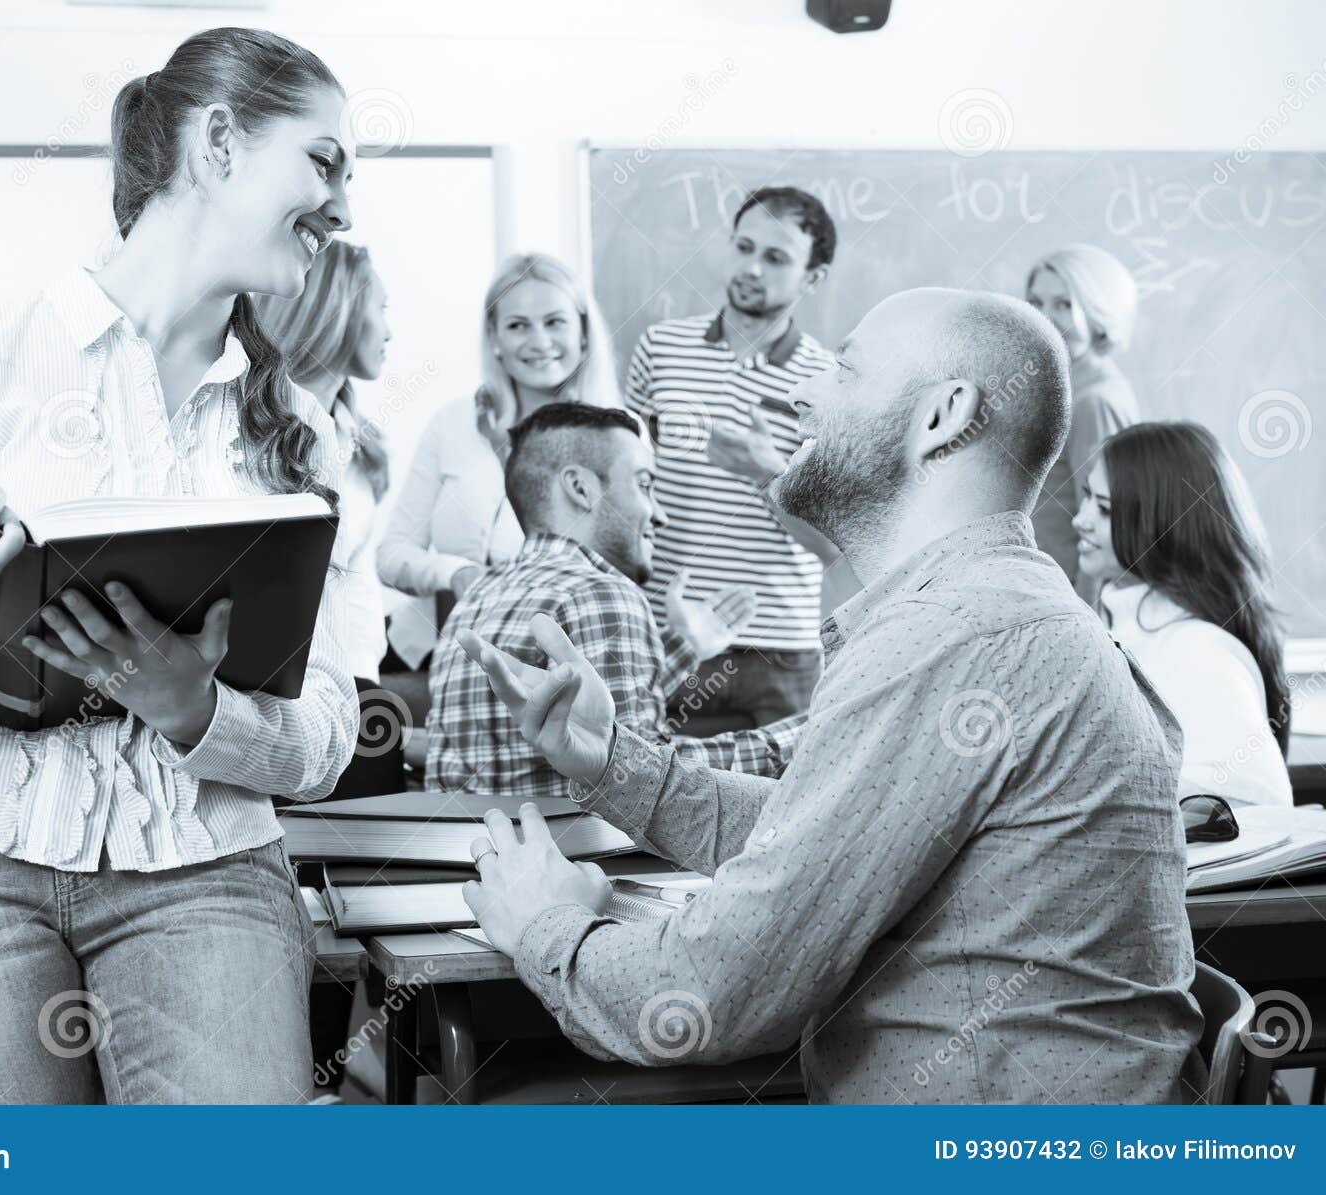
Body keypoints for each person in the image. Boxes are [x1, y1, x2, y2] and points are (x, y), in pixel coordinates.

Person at [457, 287, 1203, 1103]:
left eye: (842, 369)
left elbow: (707, 996)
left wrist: (544, 923)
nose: (799, 393)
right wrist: (614, 764)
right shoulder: (992, 609)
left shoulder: (952, 634)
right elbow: (818, 833)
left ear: (942, 416)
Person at [0, 27, 359, 1104]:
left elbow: (328, 741)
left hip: (201, 871)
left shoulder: (299, 432)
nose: (343, 207)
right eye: (324, 162)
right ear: (219, 145)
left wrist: (196, 708)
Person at [427, 403, 802, 800]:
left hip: (478, 850)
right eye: (644, 484)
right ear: (582, 488)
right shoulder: (600, 591)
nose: (660, 516)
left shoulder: (476, 598)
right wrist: (800, 737)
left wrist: (685, 645)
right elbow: (643, 782)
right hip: (583, 852)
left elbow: (577, 713)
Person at [626, 185, 843, 726]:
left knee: (783, 809)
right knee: (649, 806)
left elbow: (837, 545)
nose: (752, 268)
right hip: (669, 639)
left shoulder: (828, 383)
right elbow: (626, 489)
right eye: (744, 247)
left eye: (775, 258)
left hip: (780, 653)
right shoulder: (660, 349)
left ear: (813, 278)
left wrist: (767, 473)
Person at [376, 253, 619, 683]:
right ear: (494, 339)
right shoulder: (454, 423)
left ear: (584, 332)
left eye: (555, 321)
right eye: (517, 325)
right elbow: (392, 555)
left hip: (545, 671)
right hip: (426, 656)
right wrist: (454, 573)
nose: (539, 341)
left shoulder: (618, 440)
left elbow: (619, 576)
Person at [252, 240, 408, 799]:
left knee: (362, 871)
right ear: (336, 311)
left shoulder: (362, 448)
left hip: (358, 695)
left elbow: (358, 586)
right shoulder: (251, 429)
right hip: (273, 696)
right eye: (381, 309)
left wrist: (370, 690)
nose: (390, 330)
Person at [1075, 421, 1292, 807]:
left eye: (1104, 508)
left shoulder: (1199, 651)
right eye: (1086, 497)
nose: (1080, 519)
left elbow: (1260, 803)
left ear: (1162, 524)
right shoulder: (1122, 628)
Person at [1025, 244, 1141, 589]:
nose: (1044, 317)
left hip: (1069, 602)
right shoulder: (1059, 385)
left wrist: (1086, 623)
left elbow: (1108, 530)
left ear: (1097, 311)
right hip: (1040, 591)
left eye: (1064, 304)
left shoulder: (1095, 400)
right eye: (1036, 302)